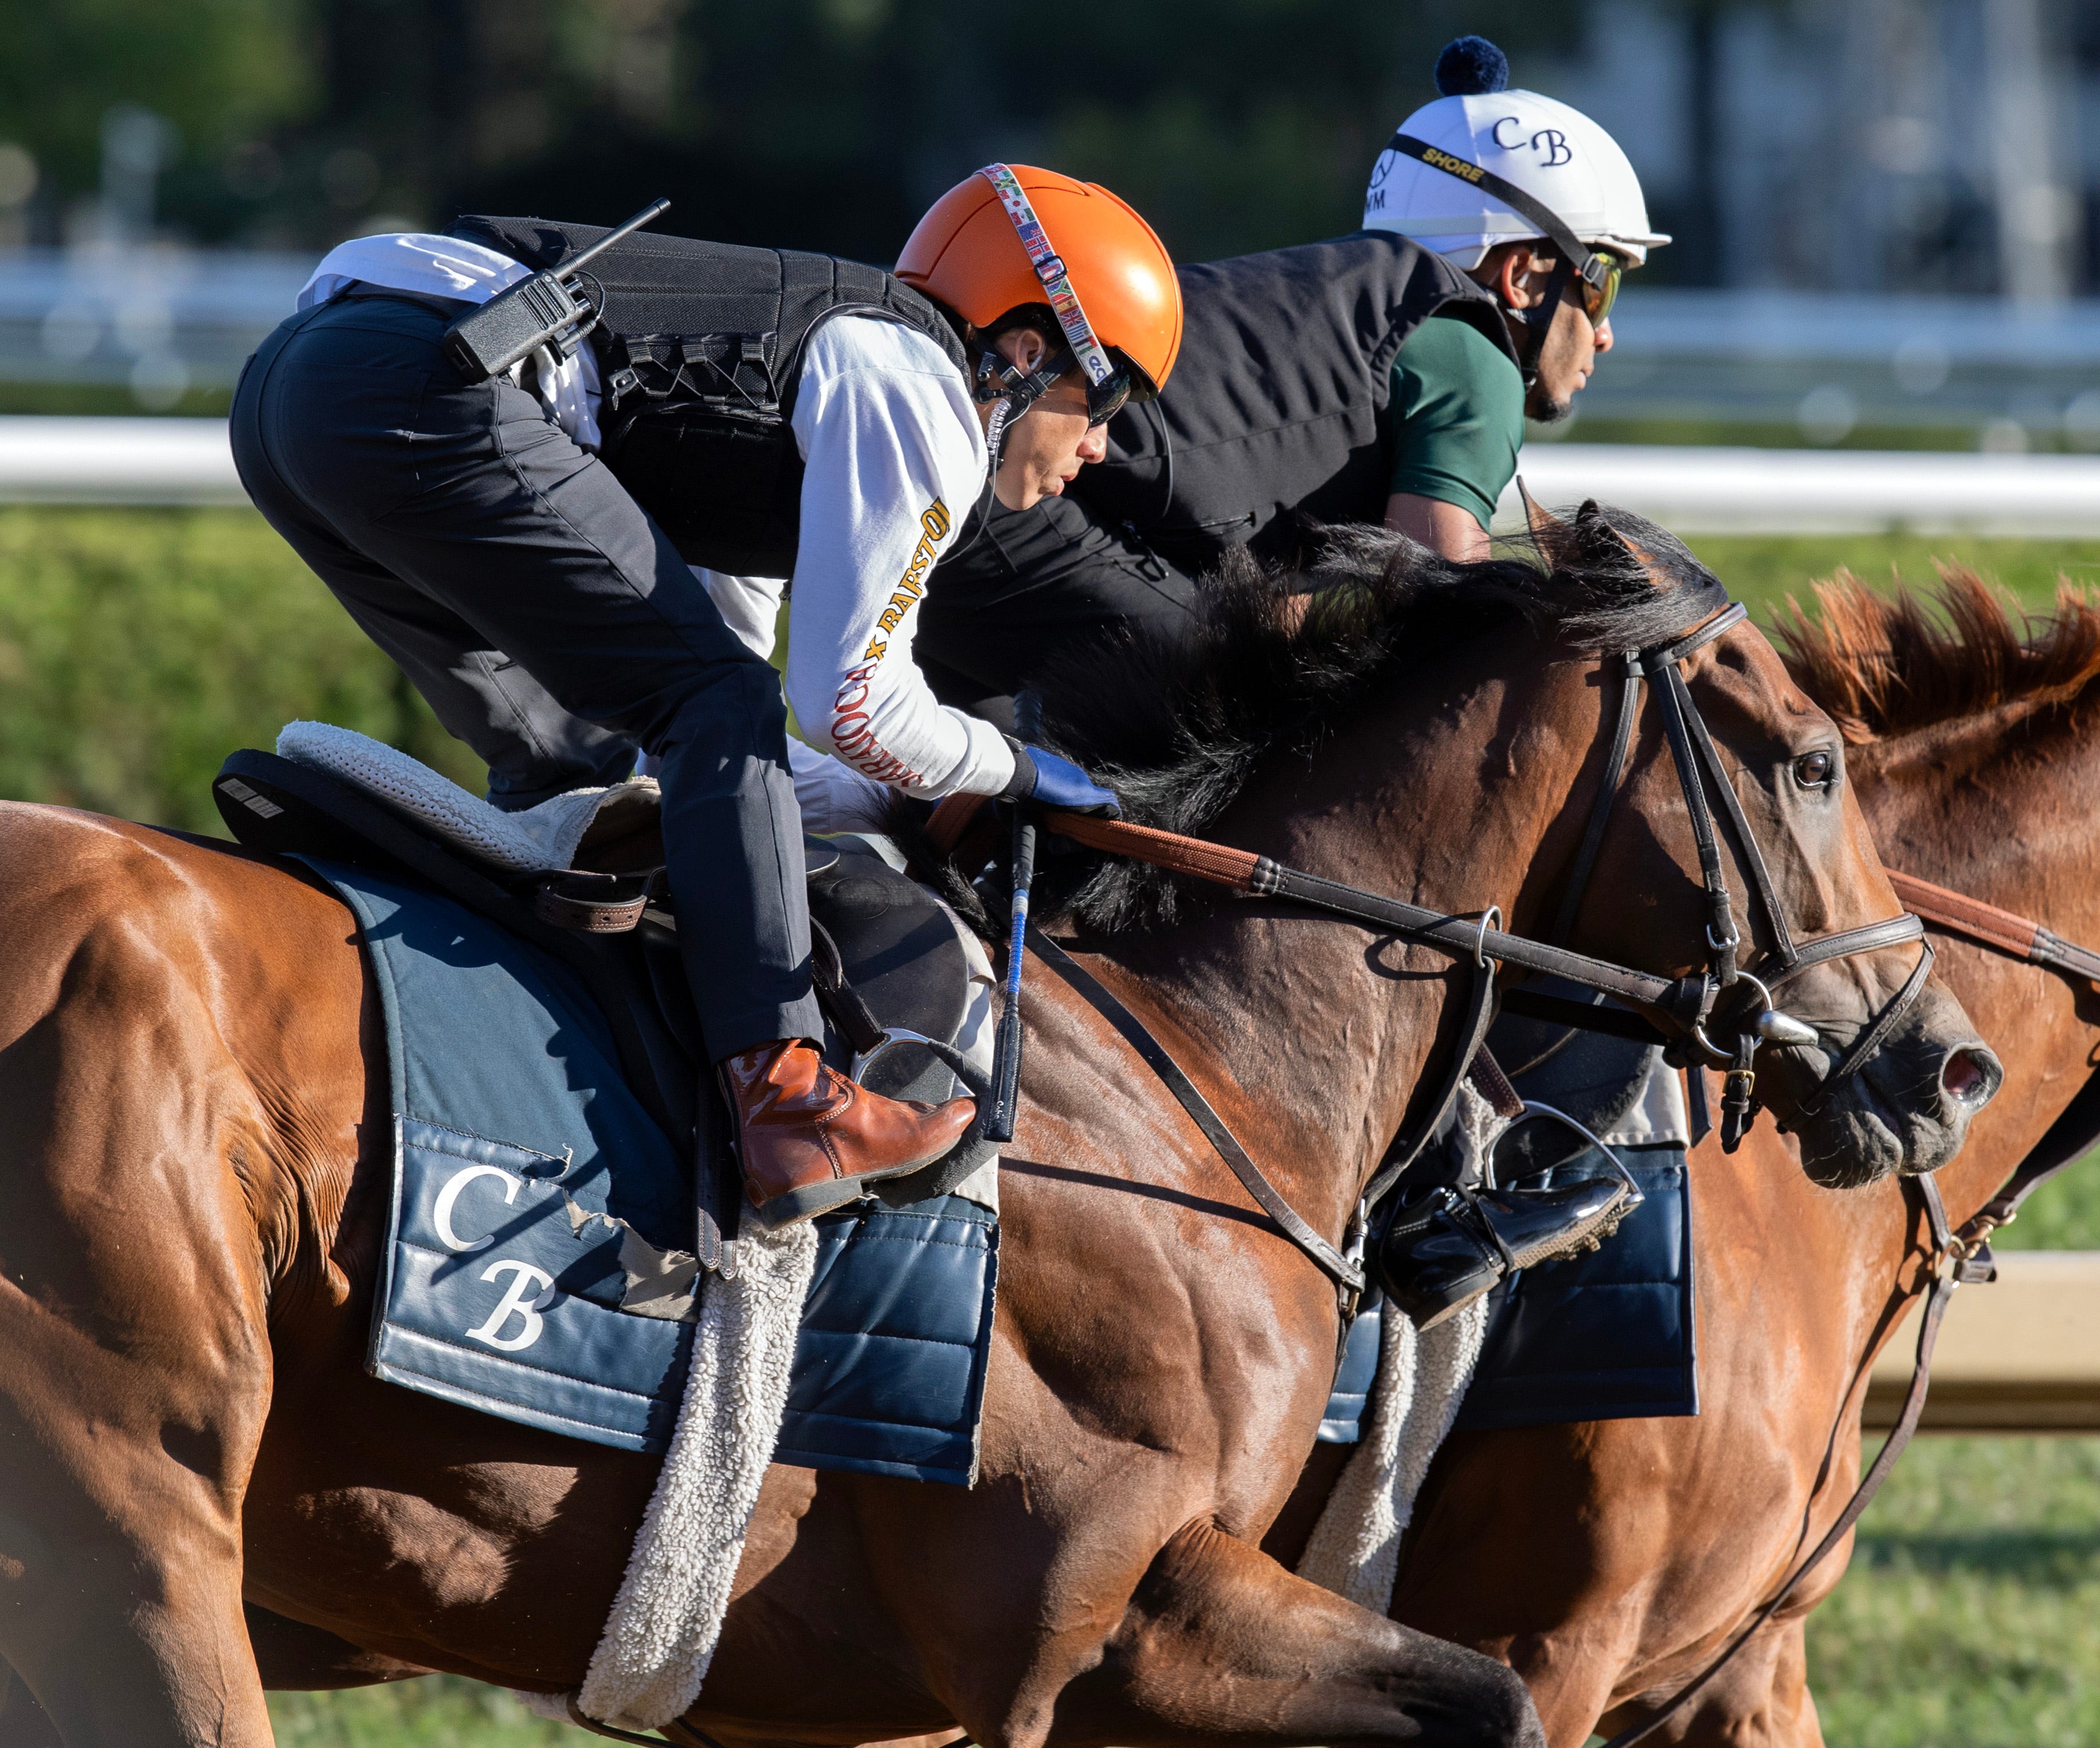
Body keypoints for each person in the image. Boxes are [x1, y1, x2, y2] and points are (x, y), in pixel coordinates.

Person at [230, 165, 1181, 1230]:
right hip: (422, 389)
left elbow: (722, 753)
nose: (1098, 448)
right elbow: (846, 705)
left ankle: (509, 1061)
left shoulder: (823, 377)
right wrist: (1015, 767)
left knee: (586, 765)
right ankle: (787, 1098)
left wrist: (894, 803)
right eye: (1107, 403)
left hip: (300, 395)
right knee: (708, 705)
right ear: (1026, 351)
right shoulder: (920, 393)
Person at [917, 34, 1666, 724]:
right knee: (1255, 720)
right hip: (1001, 495)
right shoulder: (1472, 352)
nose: (1603, 329)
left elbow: (1280, 604)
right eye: (1602, 283)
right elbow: (1444, 628)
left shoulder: (1353, 303)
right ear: (1524, 271)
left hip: (962, 489)